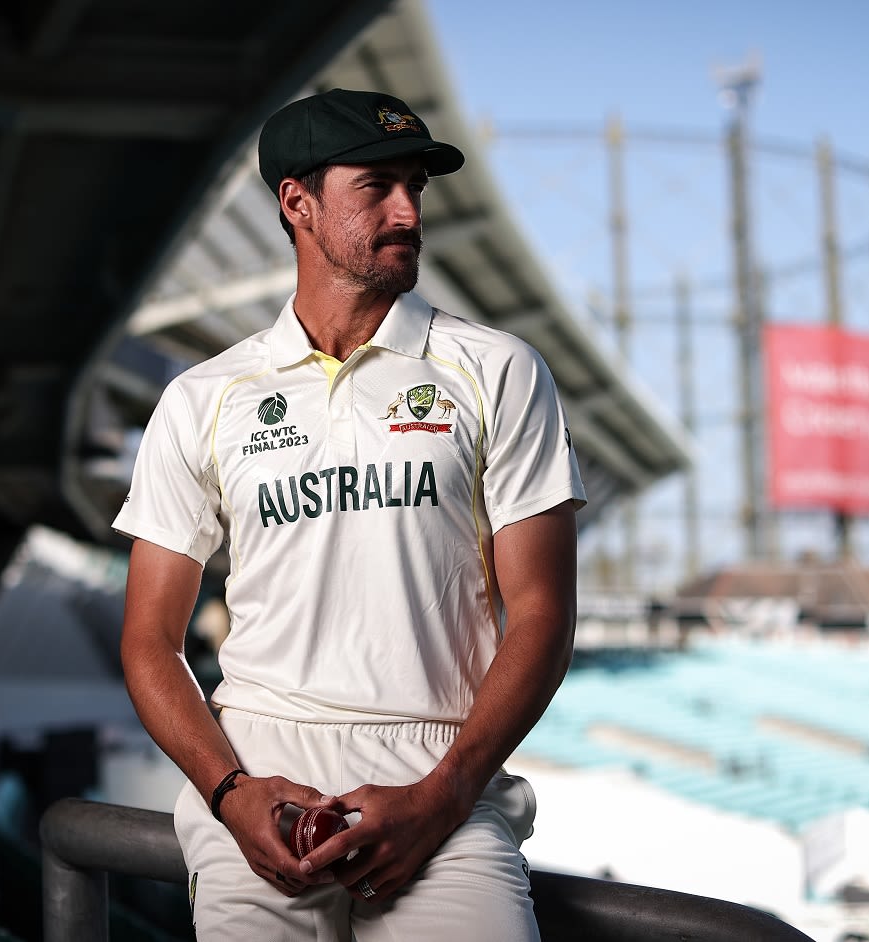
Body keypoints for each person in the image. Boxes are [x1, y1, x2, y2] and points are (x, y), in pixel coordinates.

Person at [114, 87, 585, 942]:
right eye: (377, 186)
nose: (408, 210)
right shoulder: (203, 398)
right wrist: (229, 792)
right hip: (258, 770)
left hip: (439, 771)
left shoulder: (499, 370)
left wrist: (444, 795)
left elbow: (545, 612)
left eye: (417, 186)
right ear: (296, 202)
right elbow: (150, 640)